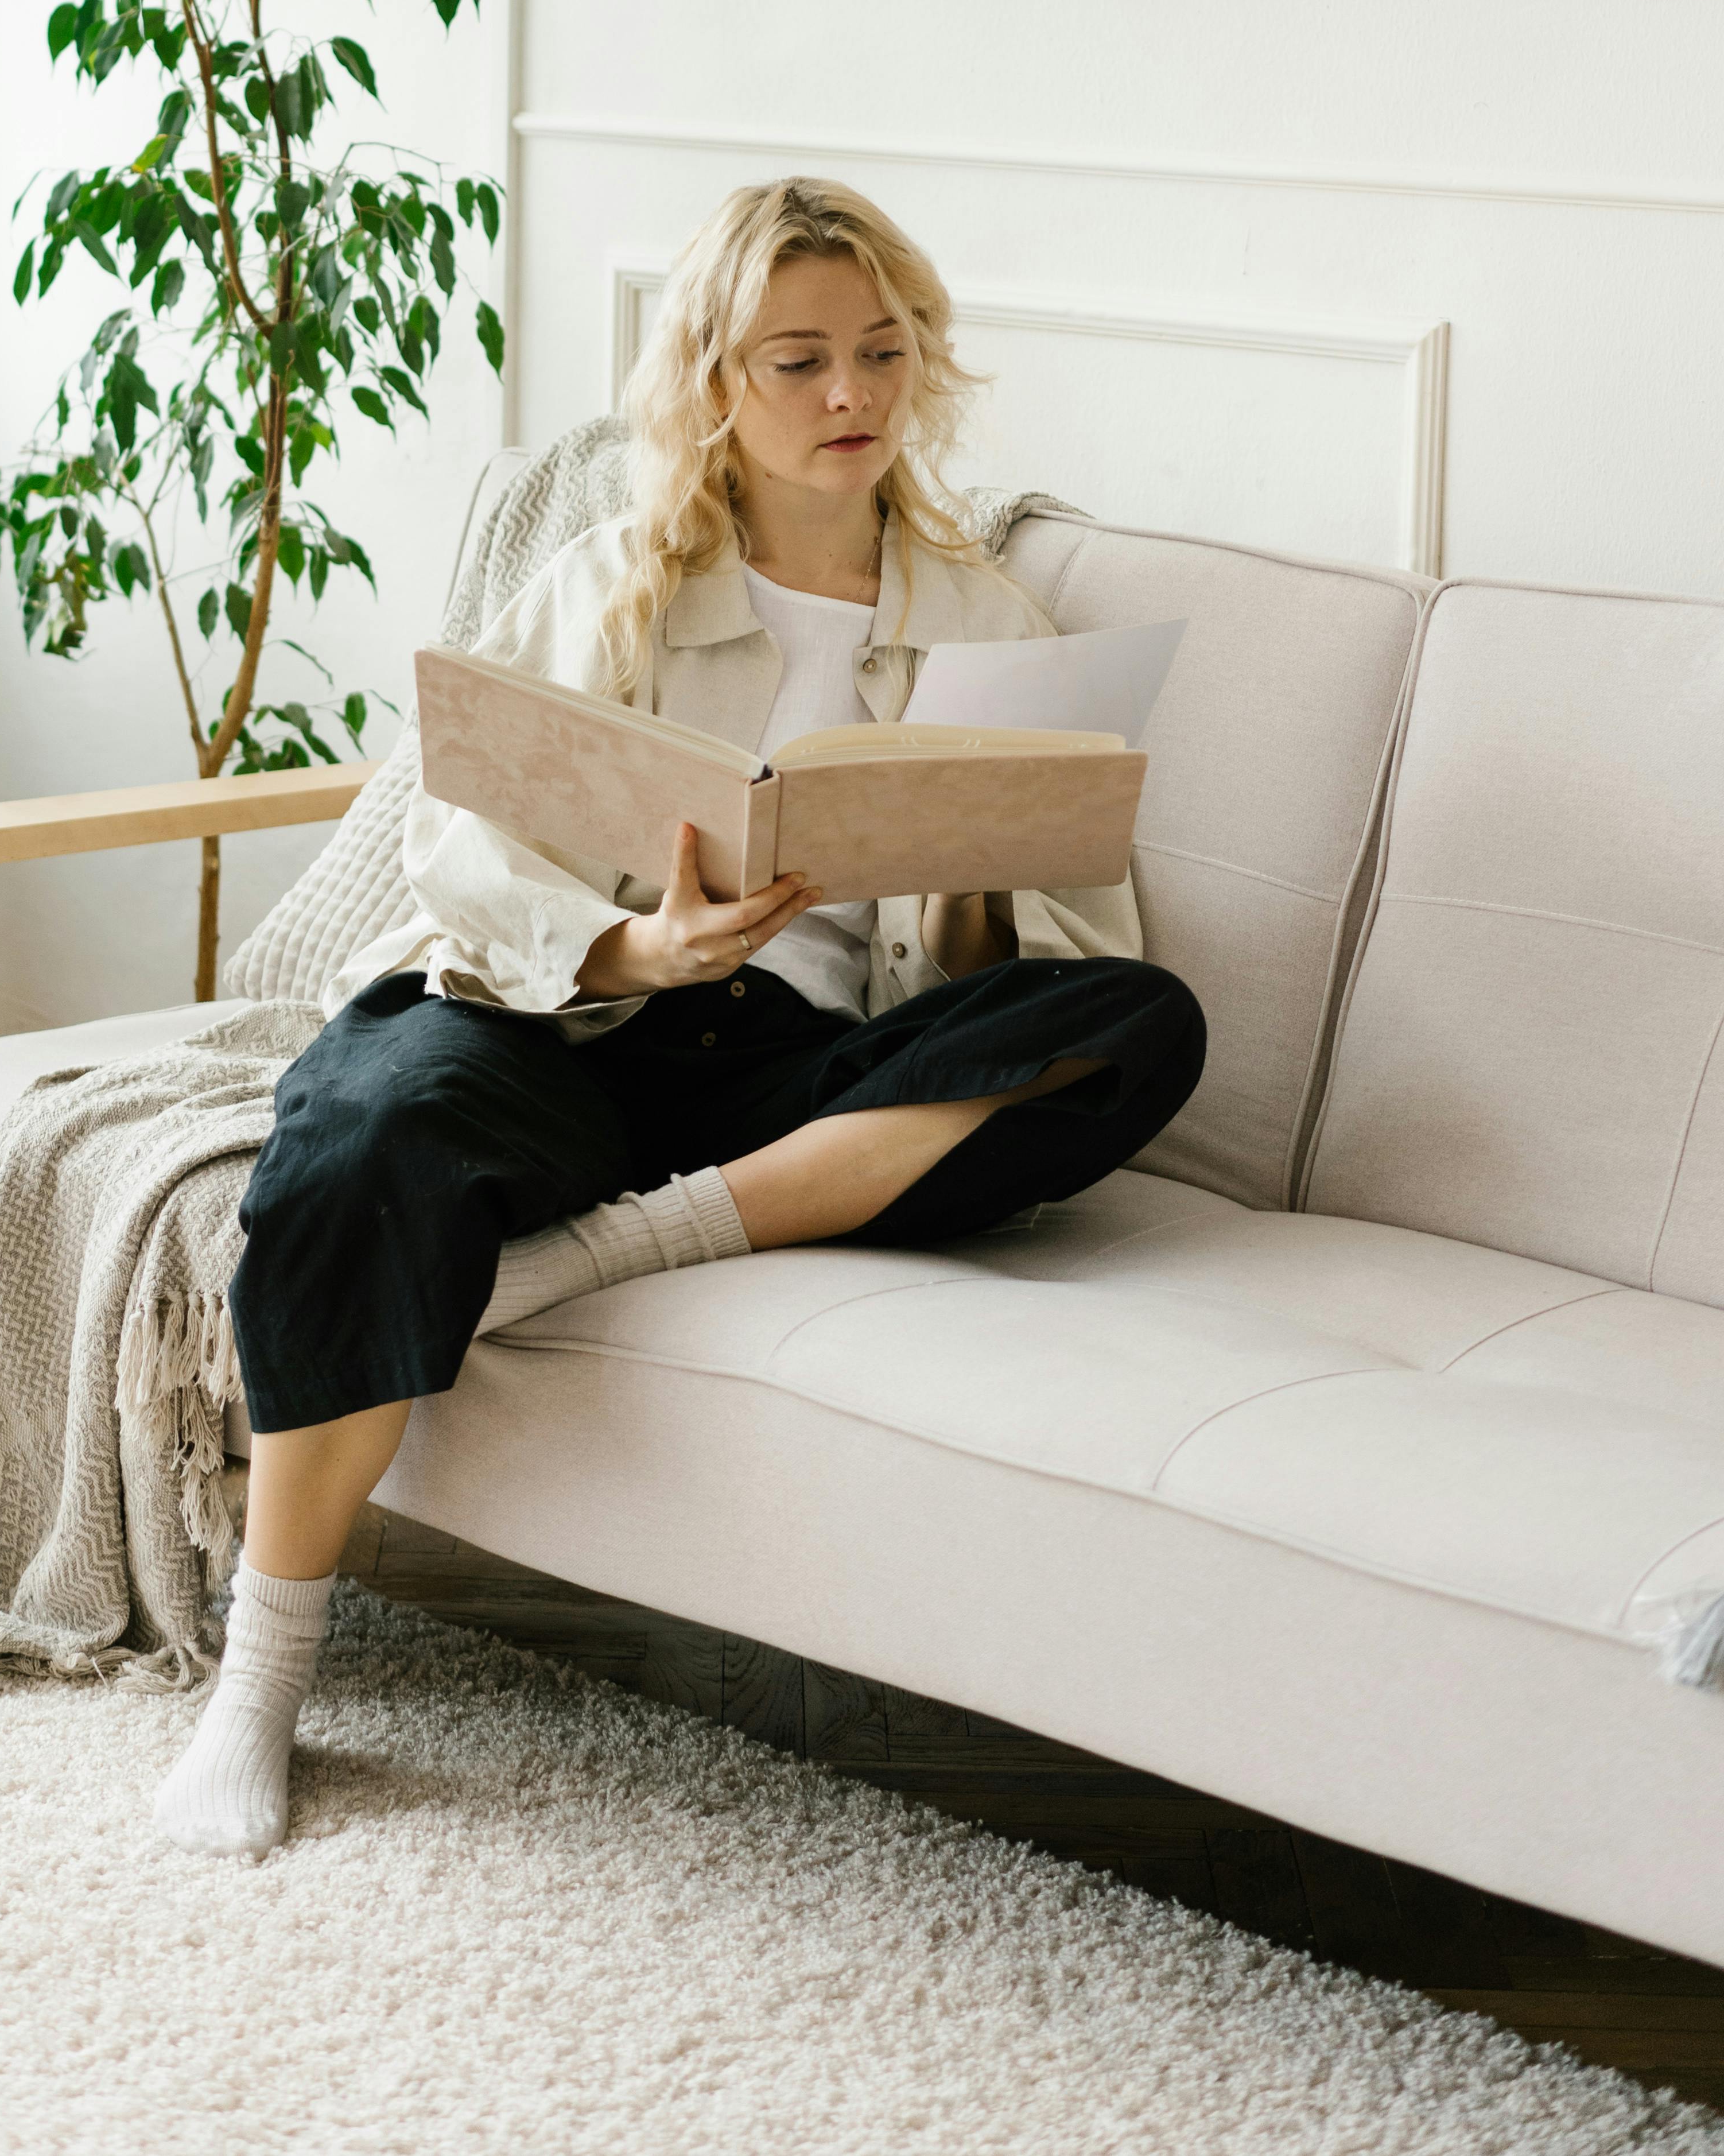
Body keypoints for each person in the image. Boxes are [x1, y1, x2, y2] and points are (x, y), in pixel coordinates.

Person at [155, 177, 1204, 1855]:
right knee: (362, 1127)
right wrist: (636, 948)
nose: (851, 395)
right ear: (715, 376)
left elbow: (1071, 938)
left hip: (811, 1085)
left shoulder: (989, 624)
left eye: (881, 352)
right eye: (799, 359)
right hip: (584, 1028)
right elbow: (462, 842)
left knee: (1141, 1020)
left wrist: (968, 897)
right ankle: (261, 1684)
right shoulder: (609, 583)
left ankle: (609, 1250)